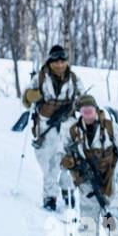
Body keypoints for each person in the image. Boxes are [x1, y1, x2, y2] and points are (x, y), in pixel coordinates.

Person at [60, 94, 118, 236]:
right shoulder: (73, 132)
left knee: (111, 221)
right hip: (86, 186)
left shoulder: (110, 128)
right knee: (89, 225)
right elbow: (62, 154)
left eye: (90, 109)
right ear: (79, 112)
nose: (87, 113)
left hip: (110, 183)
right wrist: (68, 162)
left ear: (96, 109)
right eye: (83, 110)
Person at [22, 44, 82, 211]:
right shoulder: (41, 77)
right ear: (50, 61)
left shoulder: (73, 79)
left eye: (62, 61)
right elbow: (26, 99)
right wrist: (31, 95)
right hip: (46, 125)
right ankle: (50, 197)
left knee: (68, 161)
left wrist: (83, 105)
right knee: (50, 164)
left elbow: (83, 97)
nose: (60, 64)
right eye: (56, 61)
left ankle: (67, 191)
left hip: (68, 126)